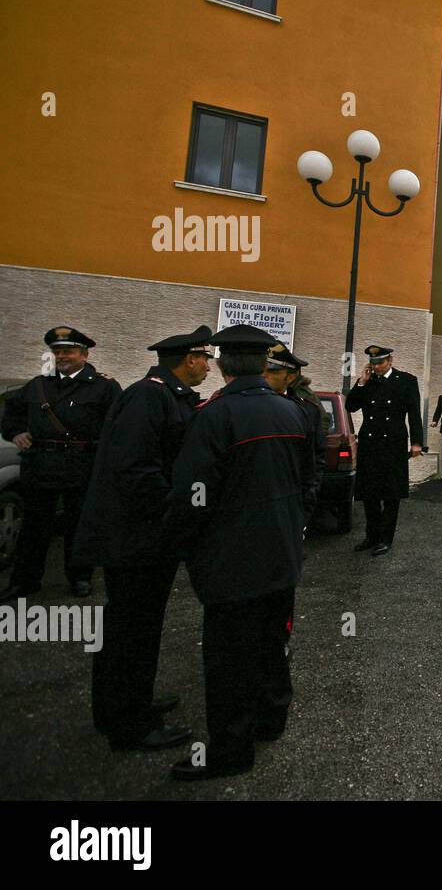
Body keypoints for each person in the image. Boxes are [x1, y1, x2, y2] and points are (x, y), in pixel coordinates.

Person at [162, 324, 318, 782]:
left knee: (229, 659)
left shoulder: (213, 415)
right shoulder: (293, 413)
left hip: (231, 561)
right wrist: (294, 526)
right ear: (263, 364)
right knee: (273, 642)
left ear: (224, 364)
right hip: (282, 556)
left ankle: (231, 750)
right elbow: (309, 482)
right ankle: (271, 720)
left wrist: (186, 545)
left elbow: (192, 494)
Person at [75, 325, 212, 752]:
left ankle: (132, 702)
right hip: (136, 540)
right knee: (130, 631)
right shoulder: (150, 397)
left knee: (138, 627)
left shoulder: (163, 395)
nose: (209, 365)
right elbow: (137, 472)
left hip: (144, 539)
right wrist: (175, 514)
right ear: (189, 360)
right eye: (205, 358)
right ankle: (128, 724)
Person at [0, 327, 122, 600]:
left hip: (82, 466)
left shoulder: (104, 388)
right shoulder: (39, 385)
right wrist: (15, 432)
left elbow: (117, 428)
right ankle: (25, 580)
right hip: (40, 465)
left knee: (78, 526)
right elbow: (12, 413)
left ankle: (79, 577)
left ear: (84, 354)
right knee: (33, 528)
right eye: (57, 351)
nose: (61, 356)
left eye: (68, 351)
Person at [344, 345, 423, 556]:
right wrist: (360, 383)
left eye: (380, 362)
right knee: (369, 493)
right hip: (370, 443)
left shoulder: (406, 381)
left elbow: (414, 414)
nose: (376, 367)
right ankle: (372, 536)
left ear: (390, 361)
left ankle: (386, 539)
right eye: (373, 363)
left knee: (390, 494)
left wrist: (417, 443)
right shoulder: (367, 382)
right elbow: (350, 406)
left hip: (393, 444)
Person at [264, 343, 326, 521]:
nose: (264, 375)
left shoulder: (306, 408)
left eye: (271, 371)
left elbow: (315, 458)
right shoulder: (247, 402)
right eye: (262, 369)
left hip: (289, 496)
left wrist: (307, 502)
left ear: (290, 377)